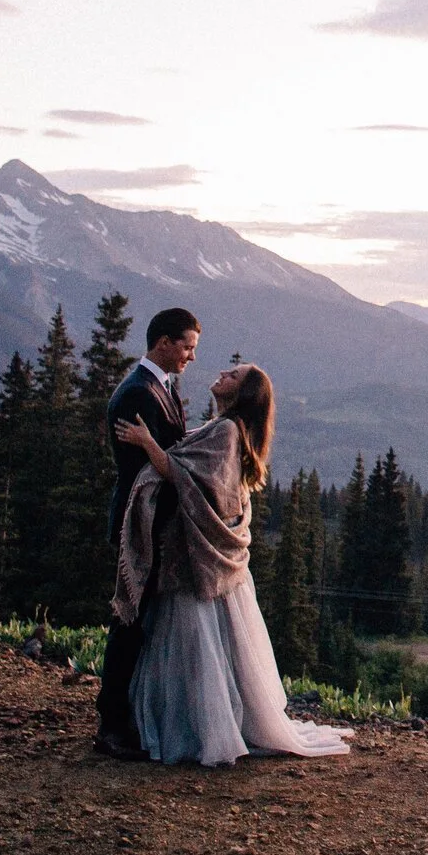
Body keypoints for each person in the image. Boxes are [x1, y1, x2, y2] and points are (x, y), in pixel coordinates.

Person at [112, 362, 352, 766]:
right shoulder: (223, 426)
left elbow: (183, 477)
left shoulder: (225, 431)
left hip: (197, 562)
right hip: (200, 560)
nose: (224, 373)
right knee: (212, 651)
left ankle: (197, 731)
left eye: (234, 375)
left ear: (243, 395)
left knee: (197, 649)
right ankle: (194, 725)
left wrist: (145, 441)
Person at [94, 306, 198, 758]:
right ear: (164, 343)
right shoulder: (138, 394)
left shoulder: (160, 387)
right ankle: (113, 724)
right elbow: (156, 467)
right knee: (129, 621)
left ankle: (131, 715)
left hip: (153, 523)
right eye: (188, 347)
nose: (191, 357)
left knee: (140, 621)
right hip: (139, 524)